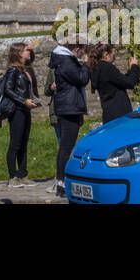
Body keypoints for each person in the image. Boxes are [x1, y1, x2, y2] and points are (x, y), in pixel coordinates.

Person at [50, 39, 90, 198]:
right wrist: (86, 65)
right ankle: (61, 183)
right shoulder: (66, 61)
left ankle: (62, 182)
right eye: (82, 50)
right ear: (77, 48)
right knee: (66, 147)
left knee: (66, 147)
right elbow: (82, 79)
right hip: (69, 108)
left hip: (69, 107)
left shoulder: (64, 60)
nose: (83, 54)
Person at [2, 42, 40, 184]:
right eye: (26, 51)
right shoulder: (13, 70)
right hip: (17, 110)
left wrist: (32, 102)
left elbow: (32, 58)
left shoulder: (26, 68)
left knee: (24, 143)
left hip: (26, 110)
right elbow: (8, 89)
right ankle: (13, 176)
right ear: (19, 53)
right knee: (15, 143)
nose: (28, 53)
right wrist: (24, 101)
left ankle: (23, 175)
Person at [90, 44, 140, 124]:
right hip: (118, 113)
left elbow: (121, 81)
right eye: (113, 54)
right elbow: (130, 83)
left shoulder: (97, 68)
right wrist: (134, 67)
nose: (114, 57)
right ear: (106, 54)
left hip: (108, 112)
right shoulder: (107, 68)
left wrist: (130, 70)